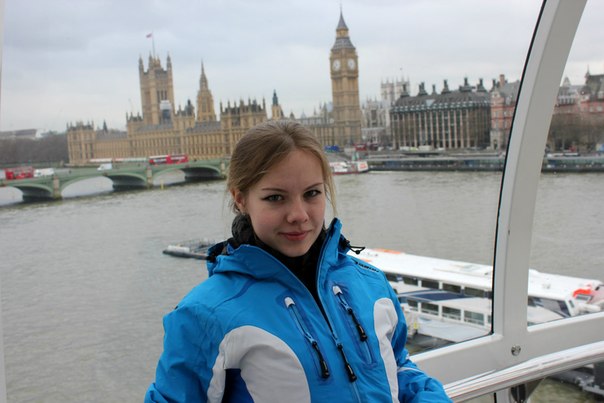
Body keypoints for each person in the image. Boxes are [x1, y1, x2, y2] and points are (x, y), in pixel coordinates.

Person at [145, 120, 451, 402]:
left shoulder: (370, 284)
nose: (299, 215)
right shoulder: (205, 315)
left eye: (312, 193)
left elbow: (399, 369)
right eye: (275, 198)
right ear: (240, 199)